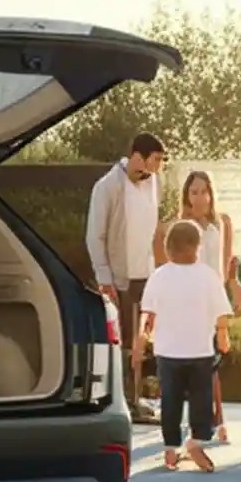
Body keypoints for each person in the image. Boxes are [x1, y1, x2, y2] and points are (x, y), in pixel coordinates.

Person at [155, 171, 241, 442]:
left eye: (203, 191)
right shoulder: (180, 225)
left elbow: (229, 259)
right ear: (187, 196)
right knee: (192, 361)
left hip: (213, 295)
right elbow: (165, 255)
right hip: (186, 298)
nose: (199, 197)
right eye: (193, 192)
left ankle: (217, 418)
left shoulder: (222, 222)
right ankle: (197, 421)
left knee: (213, 360)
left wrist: (234, 286)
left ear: (211, 194)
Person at [139, 220, 232, 472]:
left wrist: (141, 338)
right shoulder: (208, 275)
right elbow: (221, 311)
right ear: (198, 247)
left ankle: (171, 448)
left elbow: (147, 313)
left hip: (168, 352)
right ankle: (196, 441)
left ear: (168, 248)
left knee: (171, 401)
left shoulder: (159, 276)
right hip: (199, 351)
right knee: (202, 401)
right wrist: (223, 335)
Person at [85, 132, 167, 423]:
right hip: (120, 277)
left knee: (141, 341)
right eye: (156, 159)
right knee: (122, 342)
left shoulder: (154, 182)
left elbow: (153, 231)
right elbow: (95, 236)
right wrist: (104, 277)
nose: (159, 165)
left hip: (146, 274)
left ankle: (136, 400)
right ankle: (122, 403)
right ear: (138, 155)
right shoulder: (107, 187)